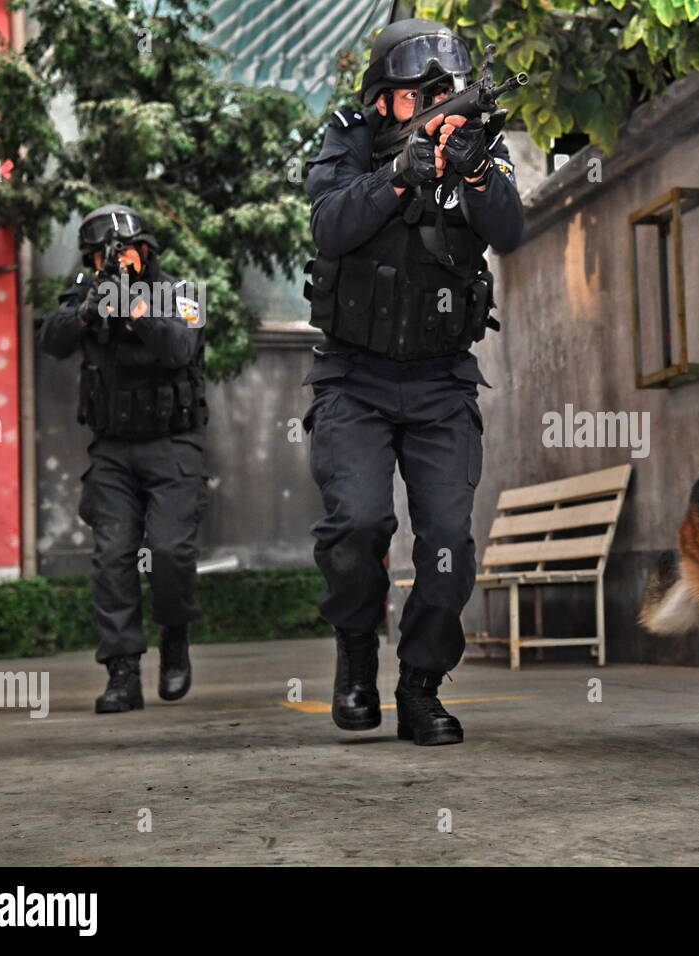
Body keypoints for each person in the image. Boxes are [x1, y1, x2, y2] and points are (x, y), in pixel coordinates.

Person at [302, 17, 524, 744]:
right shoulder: (349, 140)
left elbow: (510, 230)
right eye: (416, 95)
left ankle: (422, 685)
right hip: (353, 378)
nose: (435, 104)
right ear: (382, 101)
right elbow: (330, 227)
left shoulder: (477, 145)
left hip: (440, 381)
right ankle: (357, 652)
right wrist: (399, 176)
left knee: (447, 544)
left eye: (444, 91)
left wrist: (475, 171)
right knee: (358, 524)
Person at [38, 204, 208, 713]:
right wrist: (90, 306)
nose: (118, 260)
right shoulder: (87, 290)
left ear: (148, 251)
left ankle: (174, 637)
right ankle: (122, 670)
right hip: (112, 450)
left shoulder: (181, 293)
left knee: (171, 551)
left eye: (127, 250)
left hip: (173, 445)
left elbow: (180, 347)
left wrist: (135, 304)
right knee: (113, 556)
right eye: (103, 256)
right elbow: (52, 340)